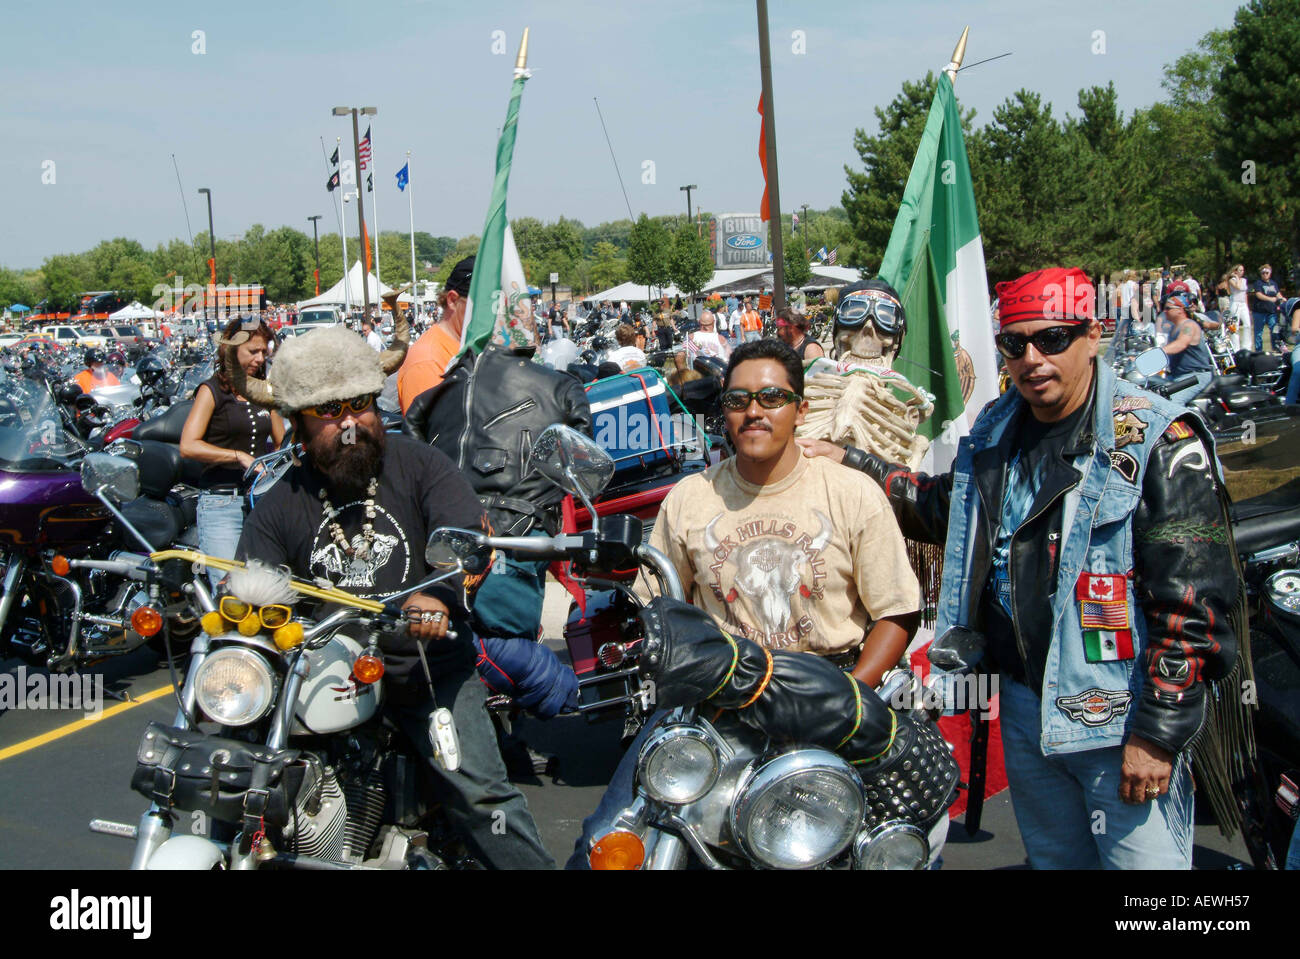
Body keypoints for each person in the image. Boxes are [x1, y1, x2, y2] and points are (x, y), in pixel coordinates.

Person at [800, 266, 1245, 870]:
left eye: (1053, 339)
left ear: (1093, 334)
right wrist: (852, 461)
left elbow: (1193, 605)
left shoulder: (1159, 439)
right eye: (1016, 343)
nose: (1033, 358)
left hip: (1118, 718)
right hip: (1025, 708)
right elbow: (944, 509)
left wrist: (1157, 732)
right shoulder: (996, 431)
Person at [568, 338, 923, 868]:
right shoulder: (690, 497)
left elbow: (896, 611)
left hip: (832, 690)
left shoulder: (852, 493)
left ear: (800, 409)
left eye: (772, 397)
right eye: (738, 401)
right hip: (717, 700)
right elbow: (666, 609)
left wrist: (845, 697)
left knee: (894, 846)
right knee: (605, 842)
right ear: (724, 413)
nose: (754, 411)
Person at [232, 323, 554, 870]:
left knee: (481, 797)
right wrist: (231, 606)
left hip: (423, 666)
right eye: (330, 411)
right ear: (300, 424)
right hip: (322, 672)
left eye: (360, 403)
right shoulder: (282, 498)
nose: (351, 421)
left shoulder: (421, 466)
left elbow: (459, 535)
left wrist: (437, 595)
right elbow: (252, 575)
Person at [404, 276, 592, 646]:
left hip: (447, 549)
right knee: (527, 666)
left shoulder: (433, 394)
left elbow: (415, 471)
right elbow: (582, 473)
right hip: (515, 551)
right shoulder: (561, 387)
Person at [180, 317, 286, 588]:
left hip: (261, 502)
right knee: (230, 593)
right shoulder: (212, 390)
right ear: (232, 350)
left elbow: (282, 440)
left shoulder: (265, 390)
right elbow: (188, 445)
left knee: (266, 590)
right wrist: (237, 456)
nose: (261, 358)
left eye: (264, 351)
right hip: (220, 503)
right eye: (253, 351)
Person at [397, 256, 474, 412]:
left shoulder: (473, 347)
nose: (496, 312)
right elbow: (436, 434)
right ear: (452, 300)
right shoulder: (427, 362)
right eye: (485, 304)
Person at [1160, 294, 1217, 405]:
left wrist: (1157, 352)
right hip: (1178, 376)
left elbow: (1181, 344)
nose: (1164, 311)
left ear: (1180, 310)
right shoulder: (1173, 327)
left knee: (1172, 404)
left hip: (1195, 376)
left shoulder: (1189, 325)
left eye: (1168, 308)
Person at [1250, 264, 1285, 352]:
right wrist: (1270, 299)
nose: (1265, 274)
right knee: (1258, 332)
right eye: (1263, 273)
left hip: (1271, 311)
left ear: (1270, 273)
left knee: (1274, 329)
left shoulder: (1273, 283)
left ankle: (1275, 348)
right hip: (1259, 312)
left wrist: (1282, 299)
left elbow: (1277, 293)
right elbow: (1258, 295)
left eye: (1267, 273)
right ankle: (1259, 350)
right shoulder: (1258, 283)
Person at [1229, 263, 1251, 350]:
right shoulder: (1232, 280)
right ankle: (1236, 348)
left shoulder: (1244, 280)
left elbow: (1245, 293)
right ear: (1235, 271)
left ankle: (1247, 346)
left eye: (1243, 270)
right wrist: (1237, 277)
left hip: (1243, 304)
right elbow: (1237, 287)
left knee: (1247, 325)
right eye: (1240, 270)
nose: (1242, 272)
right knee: (1234, 326)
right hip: (1235, 303)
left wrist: (1247, 305)